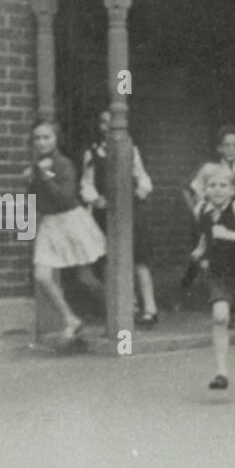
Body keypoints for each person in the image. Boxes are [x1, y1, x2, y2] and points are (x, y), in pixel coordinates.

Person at [25, 121, 108, 342]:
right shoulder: (38, 165)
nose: (41, 142)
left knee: (85, 278)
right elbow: (37, 197)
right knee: (42, 276)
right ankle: (70, 318)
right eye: (37, 138)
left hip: (71, 222)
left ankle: (116, 309)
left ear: (56, 139)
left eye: (46, 137)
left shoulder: (63, 164)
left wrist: (45, 176)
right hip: (50, 224)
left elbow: (64, 197)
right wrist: (32, 181)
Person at [79, 109, 159, 326]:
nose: (108, 127)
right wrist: (96, 199)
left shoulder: (131, 150)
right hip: (106, 212)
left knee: (139, 259)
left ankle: (150, 308)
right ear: (99, 126)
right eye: (104, 123)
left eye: (112, 122)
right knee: (111, 261)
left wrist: (142, 189)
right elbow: (86, 184)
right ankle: (127, 306)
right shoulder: (93, 153)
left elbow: (142, 177)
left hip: (130, 210)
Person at [190, 164, 235, 390]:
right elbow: (205, 234)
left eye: (223, 185)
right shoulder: (201, 209)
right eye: (212, 185)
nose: (218, 190)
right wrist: (200, 250)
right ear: (205, 190)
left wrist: (228, 235)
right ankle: (221, 372)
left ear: (232, 190)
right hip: (218, 273)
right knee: (220, 317)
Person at [181, 125, 235, 300]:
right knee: (207, 255)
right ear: (219, 148)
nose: (231, 149)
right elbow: (191, 189)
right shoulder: (211, 168)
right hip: (218, 216)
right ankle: (191, 290)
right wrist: (200, 210)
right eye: (226, 145)